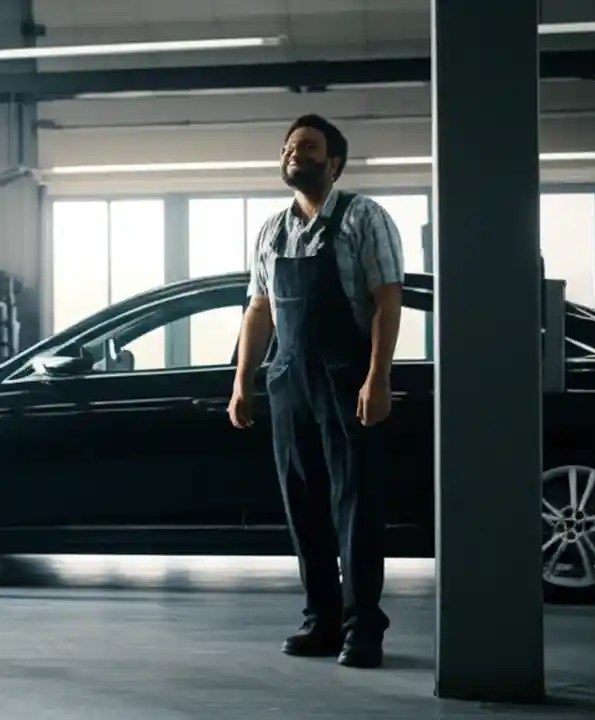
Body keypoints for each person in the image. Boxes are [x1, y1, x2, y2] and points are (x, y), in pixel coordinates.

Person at [229, 114, 404, 669]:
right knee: (302, 504)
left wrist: (379, 376)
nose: (293, 155)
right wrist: (243, 382)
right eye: (287, 148)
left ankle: (363, 627)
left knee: (354, 504)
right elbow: (259, 309)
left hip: (346, 379)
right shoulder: (271, 231)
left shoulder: (363, 218)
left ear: (333, 163)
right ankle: (321, 619)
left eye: (307, 147)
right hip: (288, 381)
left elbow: (387, 300)